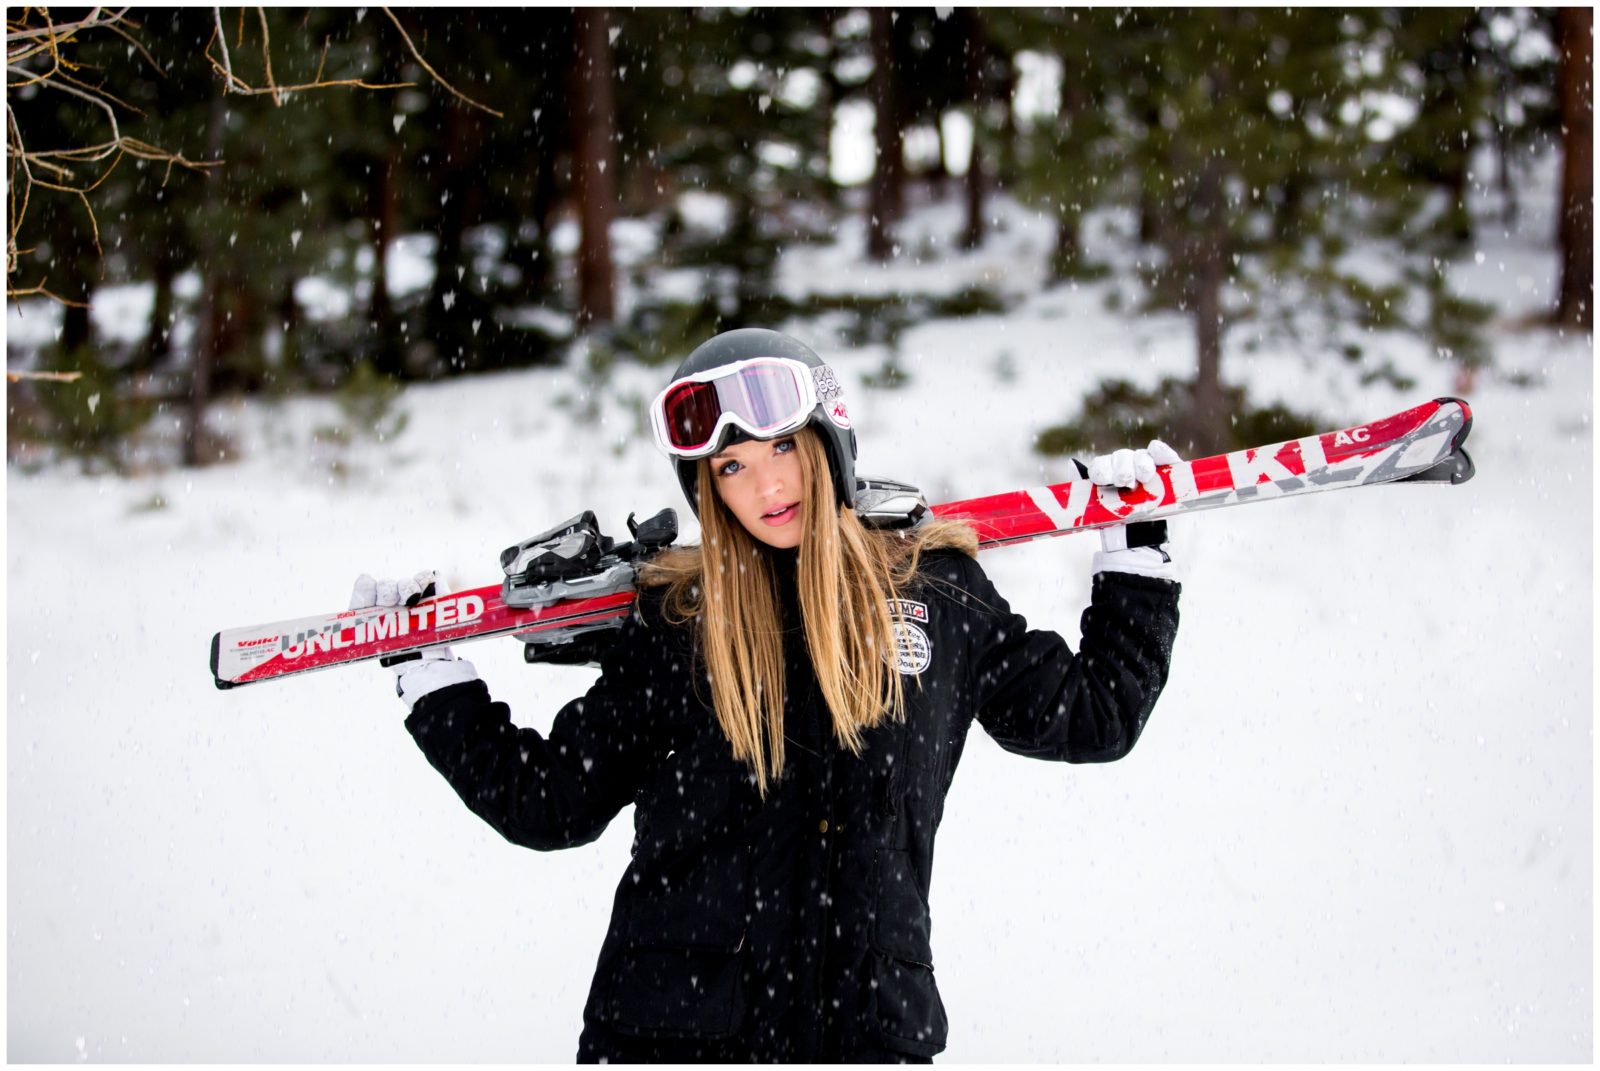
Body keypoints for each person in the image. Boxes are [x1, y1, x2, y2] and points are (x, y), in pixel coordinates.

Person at [352, 328, 1182, 1063]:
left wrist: (1137, 555)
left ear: (829, 438)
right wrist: (430, 674)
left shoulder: (936, 595)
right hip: (668, 1038)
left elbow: (1092, 715)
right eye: (731, 466)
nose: (764, 485)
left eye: (782, 447)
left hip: (864, 1034)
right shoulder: (684, 625)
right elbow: (551, 800)